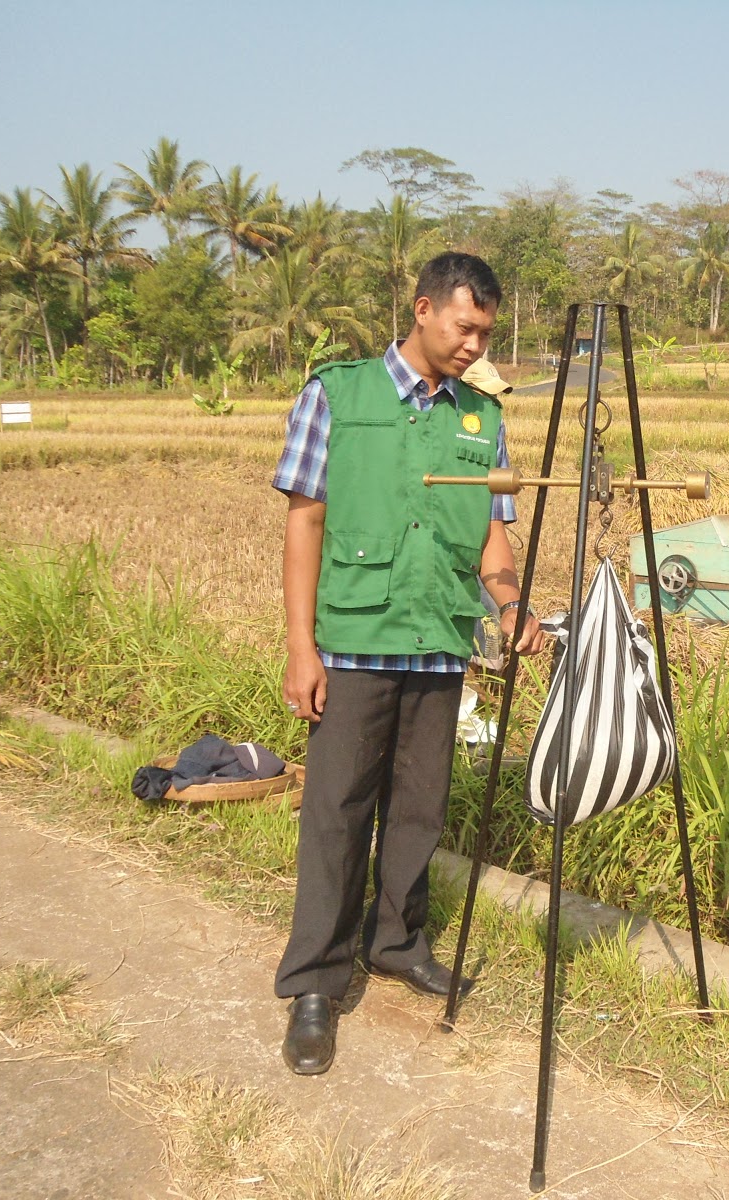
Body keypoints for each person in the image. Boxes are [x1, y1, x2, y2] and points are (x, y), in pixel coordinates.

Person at [273, 252, 543, 1077]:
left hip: (437, 639)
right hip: (354, 639)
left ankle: (394, 941)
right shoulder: (338, 395)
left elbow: (493, 534)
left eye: (486, 333)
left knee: (421, 805)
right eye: (465, 327)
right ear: (422, 309)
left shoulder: (480, 419)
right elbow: (305, 522)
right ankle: (316, 982)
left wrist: (508, 603)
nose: (473, 345)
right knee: (338, 810)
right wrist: (298, 647)